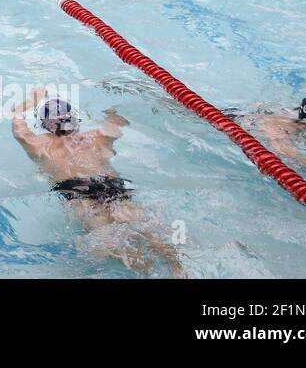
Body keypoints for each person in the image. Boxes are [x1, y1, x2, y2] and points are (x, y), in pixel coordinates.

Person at [12, 88, 181, 275]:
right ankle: (178, 269)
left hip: (78, 194)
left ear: (45, 125)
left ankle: (146, 272)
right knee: (148, 229)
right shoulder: (97, 136)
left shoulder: (39, 146)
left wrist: (30, 102)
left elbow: (18, 127)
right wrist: (111, 111)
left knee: (111, 243)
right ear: (75, 120)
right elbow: (119, 122)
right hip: (111, 186)